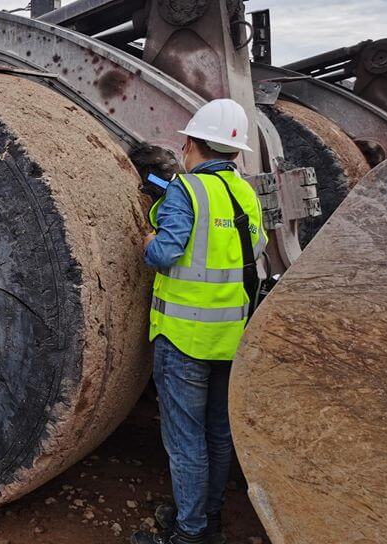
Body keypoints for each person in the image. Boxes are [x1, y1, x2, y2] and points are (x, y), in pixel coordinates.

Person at [131, 99, 266, 544]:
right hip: (230, 336)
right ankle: (208, 520)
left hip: (184, 337)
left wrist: (149, 236)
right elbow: (256, 246)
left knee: (185, 440)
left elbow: (165, 254)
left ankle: (188, 534)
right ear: (235, 153)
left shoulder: (185, 192)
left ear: (190, 144)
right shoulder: (246, 193)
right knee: (216, 434)